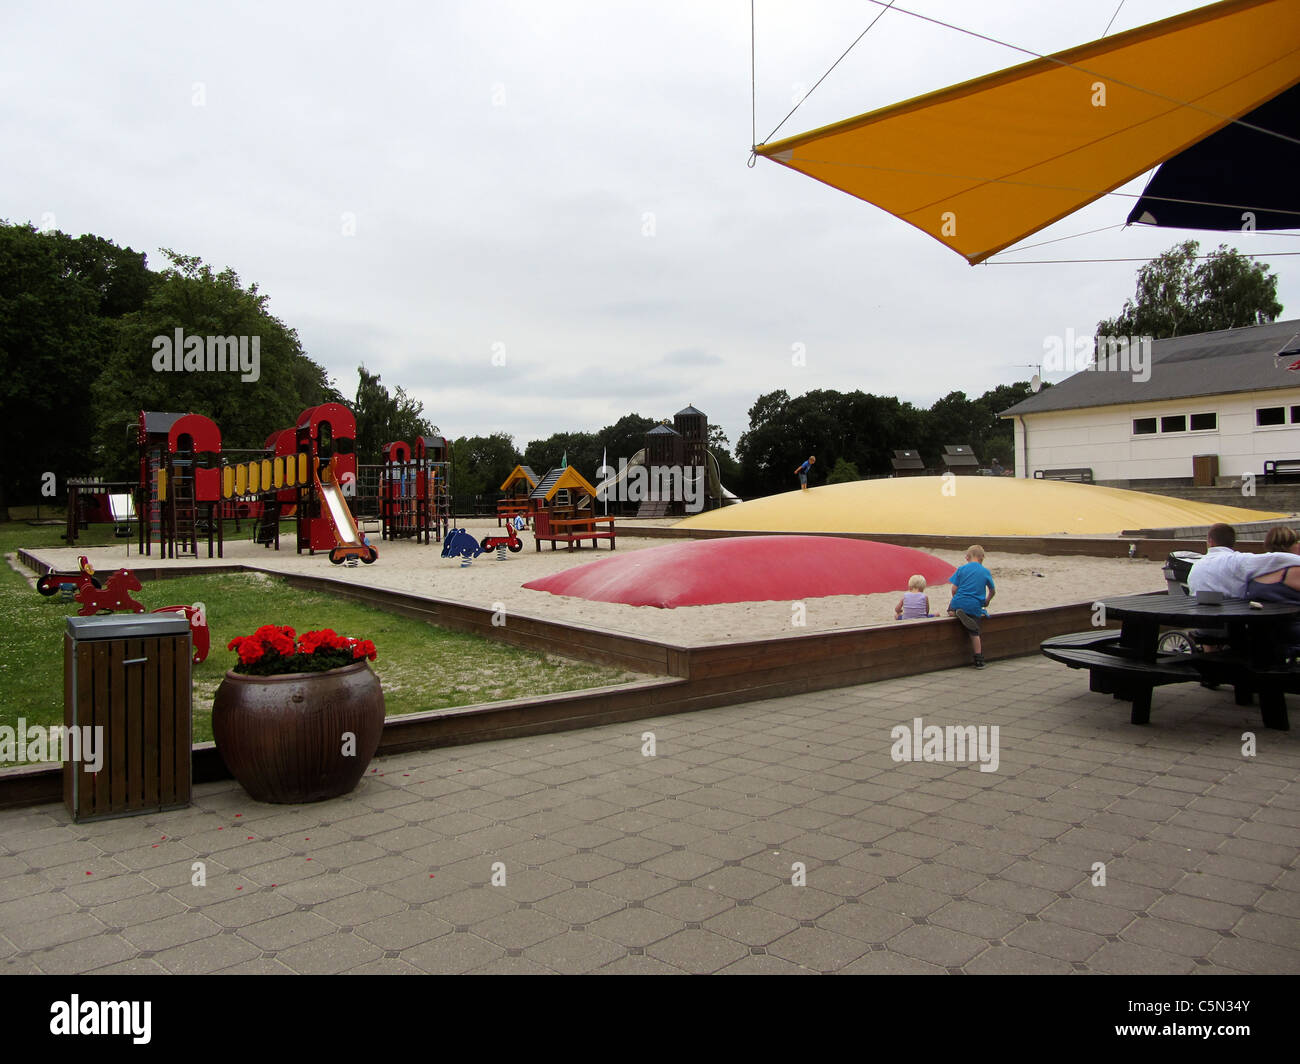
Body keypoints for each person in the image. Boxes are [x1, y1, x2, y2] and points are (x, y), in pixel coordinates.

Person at [1187, 523, 1299, 597]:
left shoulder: (1196, 565)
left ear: (1210, 541)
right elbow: (1275, 558)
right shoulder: (1237, 561)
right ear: (1233, 542)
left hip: (1200, 622)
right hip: (1231, 621)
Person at [947, 545, 995, 668]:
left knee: (950, 611)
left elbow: (954, 589)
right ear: (982, 558)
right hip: (975, 605)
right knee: (974, 633)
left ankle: (956, 613)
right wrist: (987, 601)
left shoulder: (962, 569)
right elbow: (992, 590)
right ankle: (979, 659)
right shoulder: (985, 571)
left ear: (967, 557)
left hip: (959, 602)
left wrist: (956, 598)